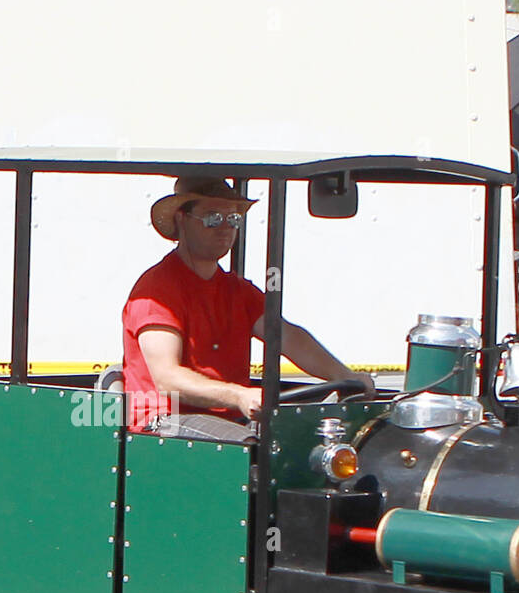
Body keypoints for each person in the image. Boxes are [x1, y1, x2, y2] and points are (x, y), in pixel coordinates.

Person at [123, 177, 374, 441]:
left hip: (227, 418)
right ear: (182, 219)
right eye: (212, 218)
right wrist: (239, 395)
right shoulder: (157, 289)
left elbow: (286, 336)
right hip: (161, 421)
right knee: (251, 447)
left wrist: (345, 376)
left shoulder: (238, 291)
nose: (225, 228)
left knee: (310, 439)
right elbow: (167, 379)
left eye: (232, 219)